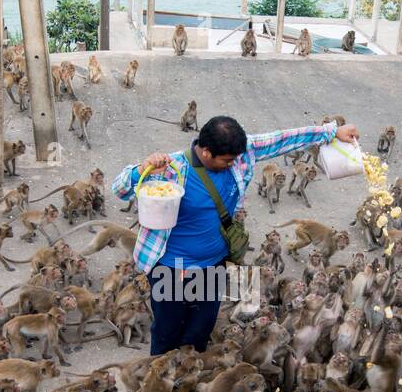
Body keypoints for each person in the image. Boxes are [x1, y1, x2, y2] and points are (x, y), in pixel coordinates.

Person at [112, 115, 358, 355]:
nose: (233, 164)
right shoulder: (173, 169)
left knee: (201, 329)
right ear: (206, 152)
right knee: (168, 331)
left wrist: (332, 132)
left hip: (213, 265)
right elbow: (120, 188)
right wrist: (142, 169)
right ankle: (161, 381)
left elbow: (283, 139)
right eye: (227, 161)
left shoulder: (240, 153)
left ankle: (190, 375)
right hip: (172, 268)